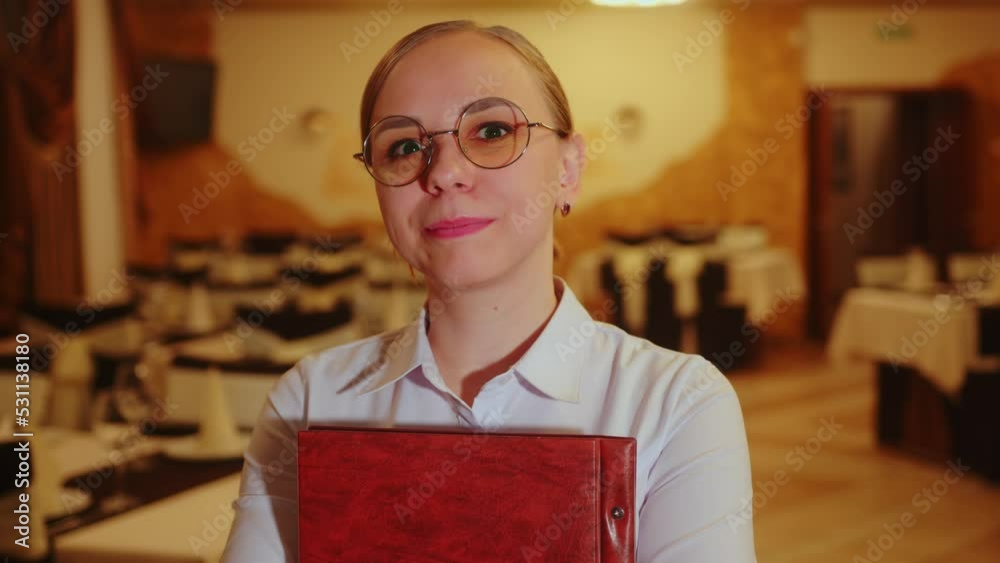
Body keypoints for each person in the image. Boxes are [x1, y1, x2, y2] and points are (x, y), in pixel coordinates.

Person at [221, 20, 755, 562]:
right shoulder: (310, 400)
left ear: (569, 168)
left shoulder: (674, 404)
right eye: (405, 145)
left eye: (493, 131)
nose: (446, 173)